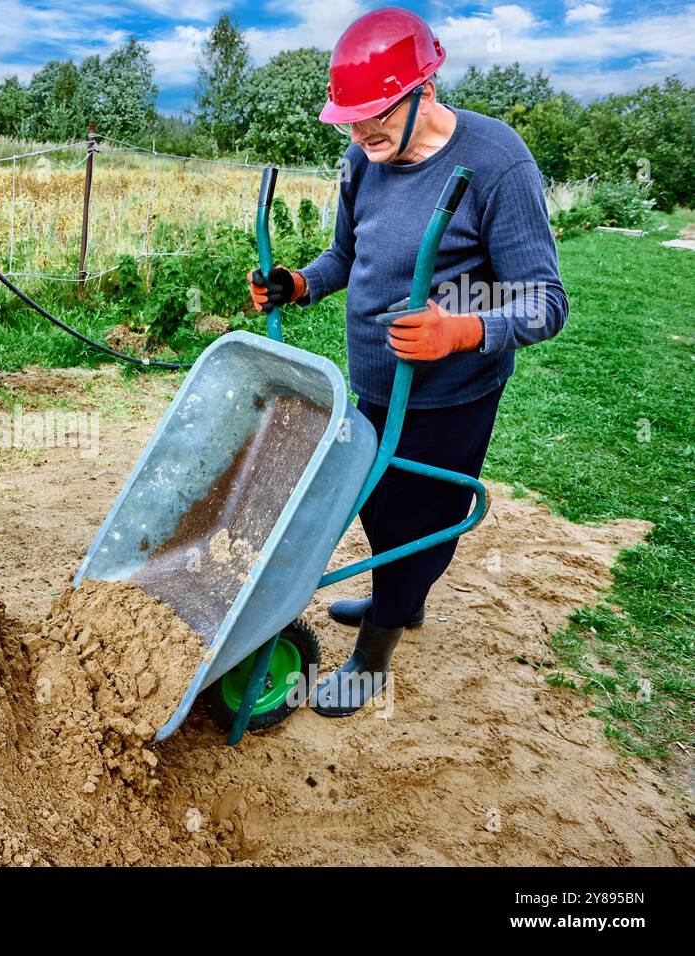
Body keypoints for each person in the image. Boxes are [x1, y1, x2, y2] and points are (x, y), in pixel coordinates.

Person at [248, 6, 568, 716]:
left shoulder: (496, 161)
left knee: (420, 517)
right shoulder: (364, 157)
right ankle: (402, 597)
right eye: (350, 120)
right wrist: (302, 284)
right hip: (373, 383)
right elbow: (348, 255)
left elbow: (545, 301)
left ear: (425, 85)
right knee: (380, 508)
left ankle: (373, 657)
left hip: (452, 393)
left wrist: (460, 331)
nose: (359, 135)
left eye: (373, 115)